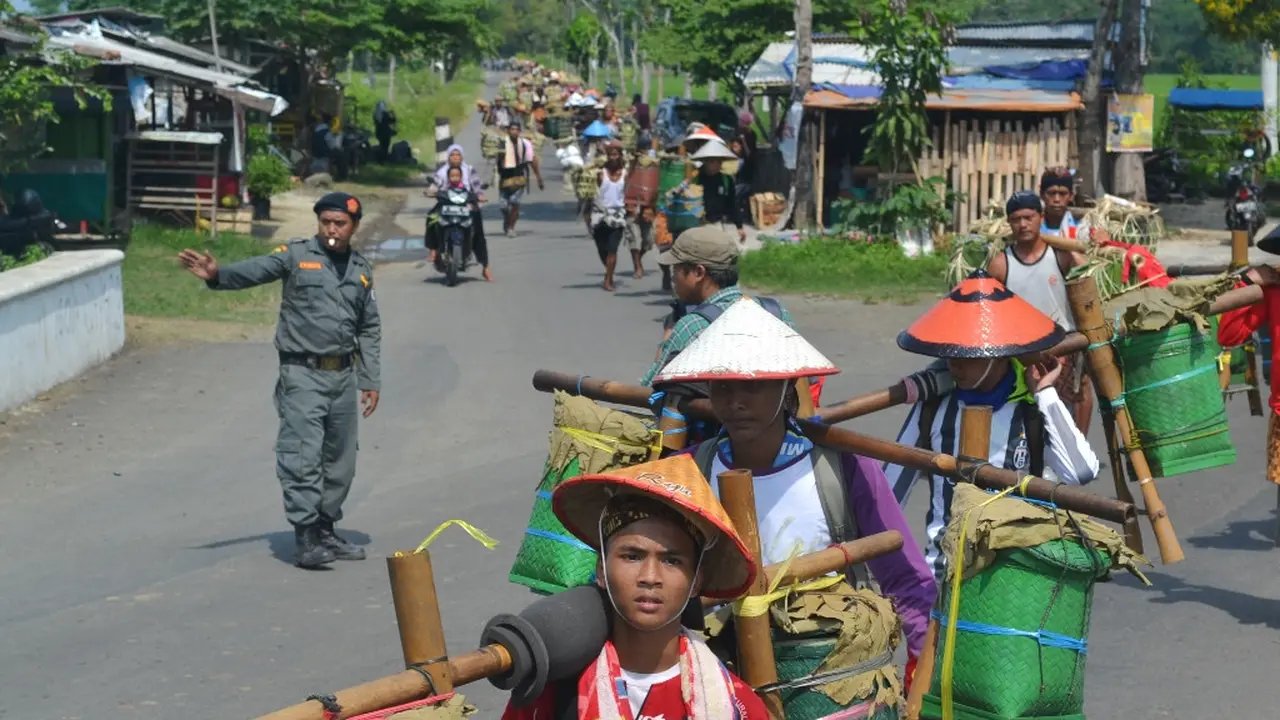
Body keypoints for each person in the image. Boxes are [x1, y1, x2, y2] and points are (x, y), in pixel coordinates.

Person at [653, 299, 937, 697]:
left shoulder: (843, 470)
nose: (736, 401)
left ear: (787, 389)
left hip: (828, 678)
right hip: (719, 676)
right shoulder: (689, 472)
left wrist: (921, 677)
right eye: (723, 386)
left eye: (753, 386)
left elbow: (907, 581)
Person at [177, 192, 381, 569]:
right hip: (301, 373)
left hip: (342, 377)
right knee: (302, 456)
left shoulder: (360, 269)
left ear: (354, 226)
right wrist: (218, 275)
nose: (332, 230)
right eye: (326, 222)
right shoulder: (297, 255)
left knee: (340, 460)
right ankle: (305, 538)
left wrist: (370, 380)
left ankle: (325, 527)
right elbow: (257, 269)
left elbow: (368, 327)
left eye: (340, 224)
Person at [502, 455, 770, 719]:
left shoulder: (733, 705)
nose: (650, 576)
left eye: (671, 560)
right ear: (602, 571)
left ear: (696, 580)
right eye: (632, 556)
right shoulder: (555, 694)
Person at [884, 269, 1100, 581]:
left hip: (1016, 573)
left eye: (967, 354)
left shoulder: (1030, 409)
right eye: (949, 353)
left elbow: (1081, 472)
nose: (954, 363)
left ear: (999, 356)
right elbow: (891, 494)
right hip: (944, 572)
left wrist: (1046, 394)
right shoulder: (932, 407)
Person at [987, 190, 1093, 434]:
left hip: (1063, 343)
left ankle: (1079, 449)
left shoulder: (1061, 255)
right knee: (1028, 413)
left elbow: (1088, 282)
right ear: (1009, 223)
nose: (1023, 224)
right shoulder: (1001, 264)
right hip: (1022, 350)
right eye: (1016, 219)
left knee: (1073, 400)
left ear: (1041, 217)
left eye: (1028, 217)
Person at [640, 226, 793, 387]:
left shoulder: (692, 326)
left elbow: (650, 389)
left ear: (698, 273)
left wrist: (669, 333)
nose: (673, 277)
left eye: (676, 269)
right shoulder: (776, 312)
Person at [429, 144, 492, 281]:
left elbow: (476, 187)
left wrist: (479, 196)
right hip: (446, 206)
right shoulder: (442, 172)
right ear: (449, 157)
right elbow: (434, 186)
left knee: (479, 233)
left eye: (458, 155)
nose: (456, 157)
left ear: (462, 157)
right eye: (453, 154)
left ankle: (485, 267)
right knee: (431, 218)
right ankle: (433, 248)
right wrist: (431, 192)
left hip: (467, 206)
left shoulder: (469, 170)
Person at [497, 120, 544, 238]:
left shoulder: (525, 144)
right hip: (505, 178)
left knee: (514, 202)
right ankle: (507, 220)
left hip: (519, 177)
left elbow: (532, 161)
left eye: (516, 130)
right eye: (512, 129)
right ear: (508, 131)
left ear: (519, 131)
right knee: (503, 206)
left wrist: (539, 178)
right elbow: (497, 160)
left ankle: (511, 228)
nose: (514, 132)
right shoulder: (502, 143)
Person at [592, 141, 628, 292]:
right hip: (599, 215)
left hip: (618, 215)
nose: (613, 157)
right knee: (602, 250)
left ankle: (608, 279)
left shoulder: (626, 174)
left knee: (613, 249)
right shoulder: (600, 173)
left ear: (620, 156)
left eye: (616, 154)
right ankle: (609, 273)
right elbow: (589, 194)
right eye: (610, 154)